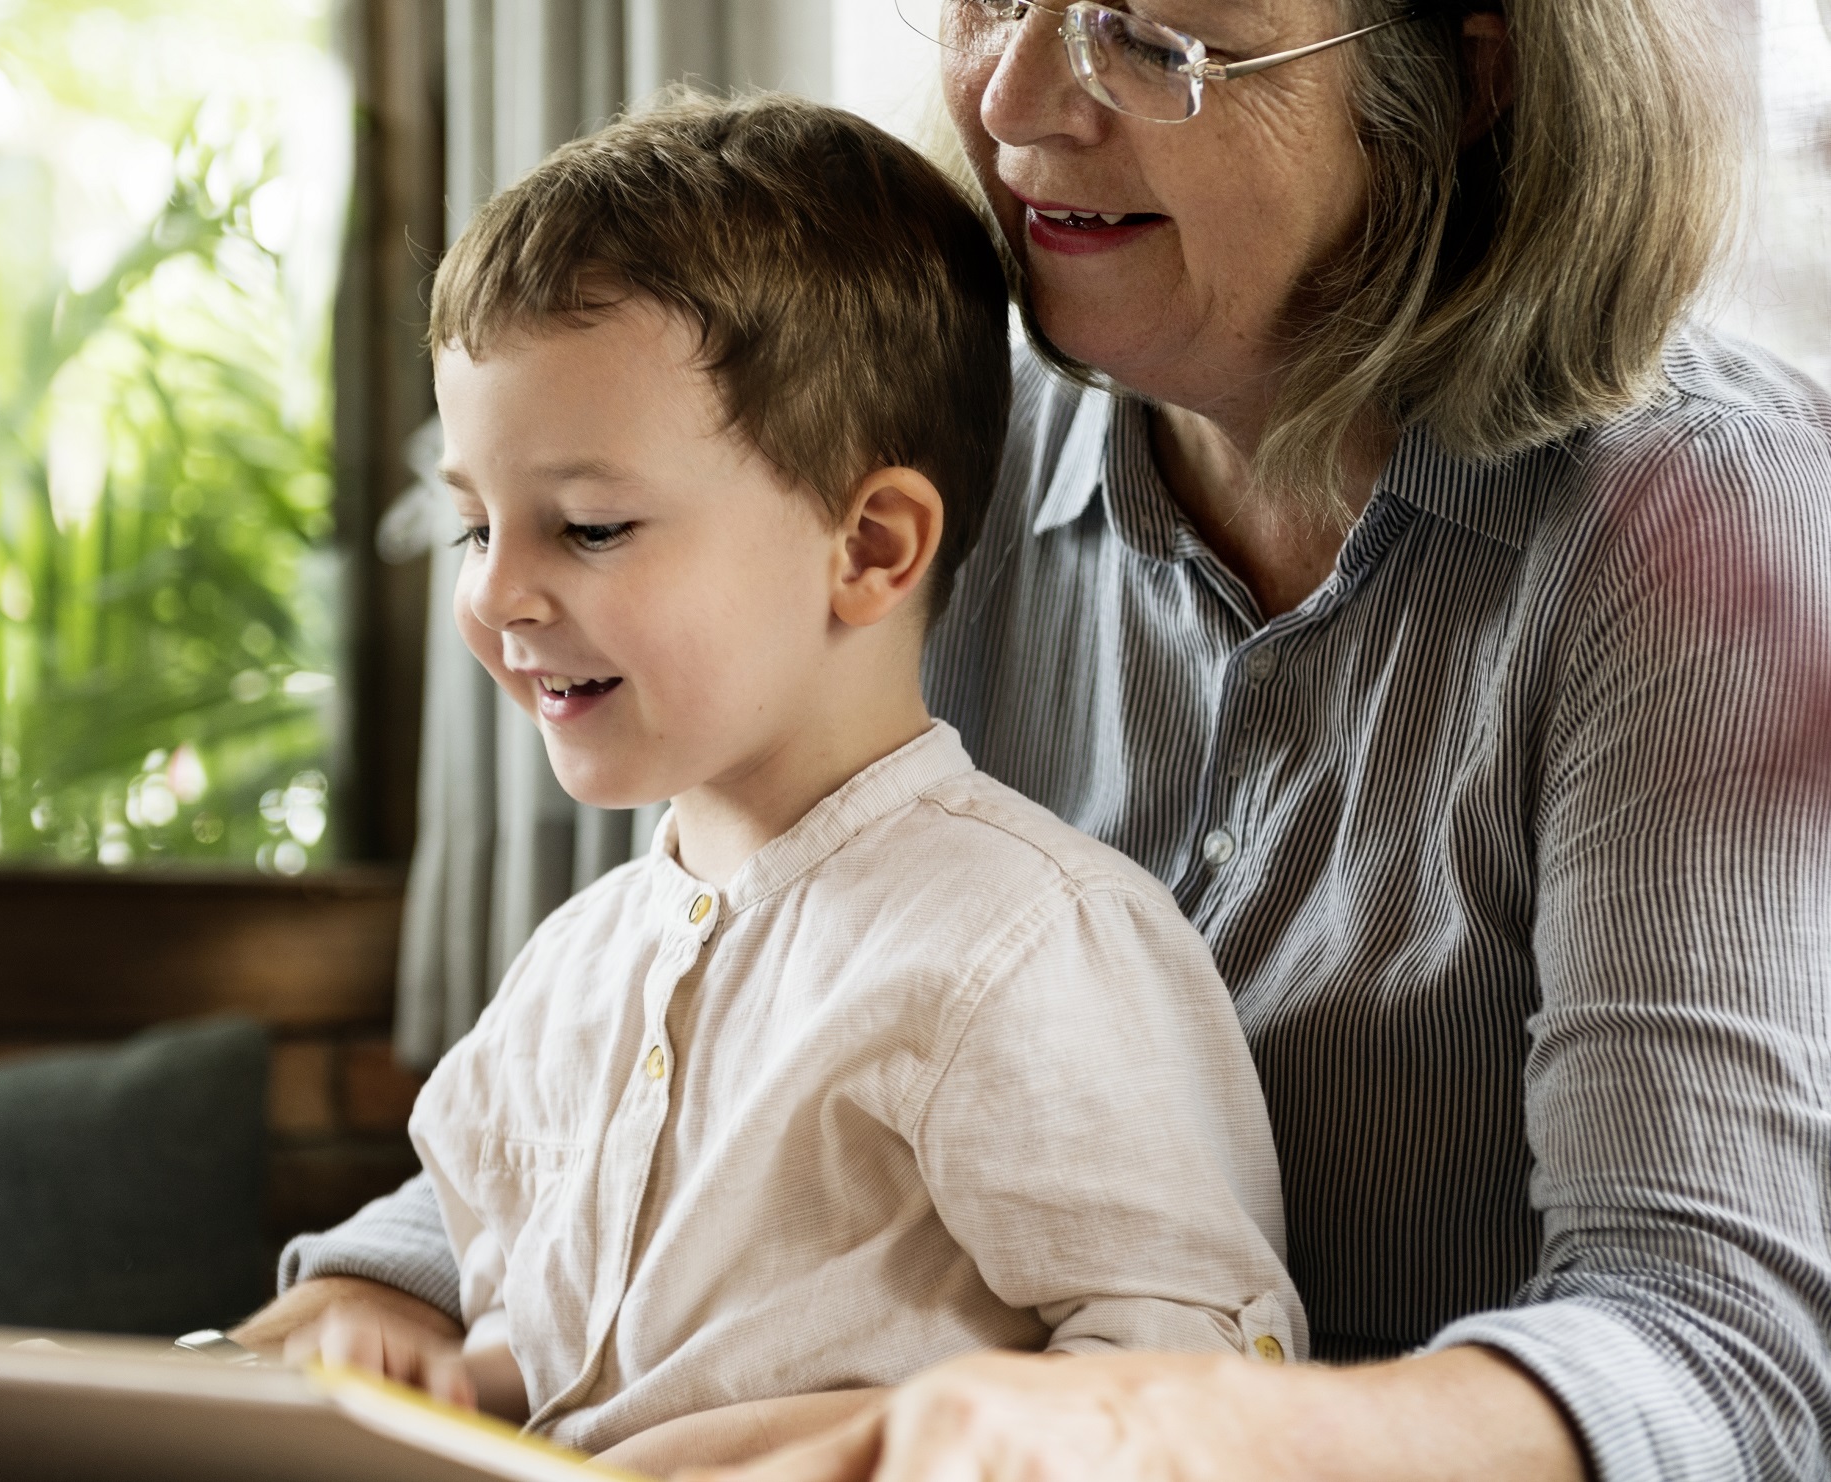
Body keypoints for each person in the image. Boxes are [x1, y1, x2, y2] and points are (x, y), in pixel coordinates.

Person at [242, 0, 1831, 1475]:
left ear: (1468, 83)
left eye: (1147, 33)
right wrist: (402, 1286)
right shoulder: (892, 475)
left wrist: (1157, 1418)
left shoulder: (1697, 537)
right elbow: (711, 1054)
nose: (1010, 99)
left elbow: (1723, 1355)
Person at [244, 92, 1307, 1464]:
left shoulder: (1025, 945)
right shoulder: (573, 972)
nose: (501, 590)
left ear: (868, 548)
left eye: (589, 526)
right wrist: (439, 1369)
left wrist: (867, 1439)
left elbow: (1205, 1371)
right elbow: (583, 1356)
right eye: (472, 525)